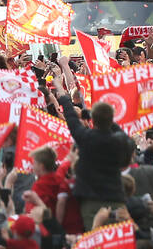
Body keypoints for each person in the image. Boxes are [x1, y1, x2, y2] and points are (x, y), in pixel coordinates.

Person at [55, 83, 134, 222]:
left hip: (91, 202)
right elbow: (126, 147)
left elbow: (71, 118)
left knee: (95, 241)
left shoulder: (85, 137)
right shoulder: (121, 140)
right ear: (111, 119)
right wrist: (104, 119)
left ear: (94, 120)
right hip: (116, 198)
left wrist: (62, 96)